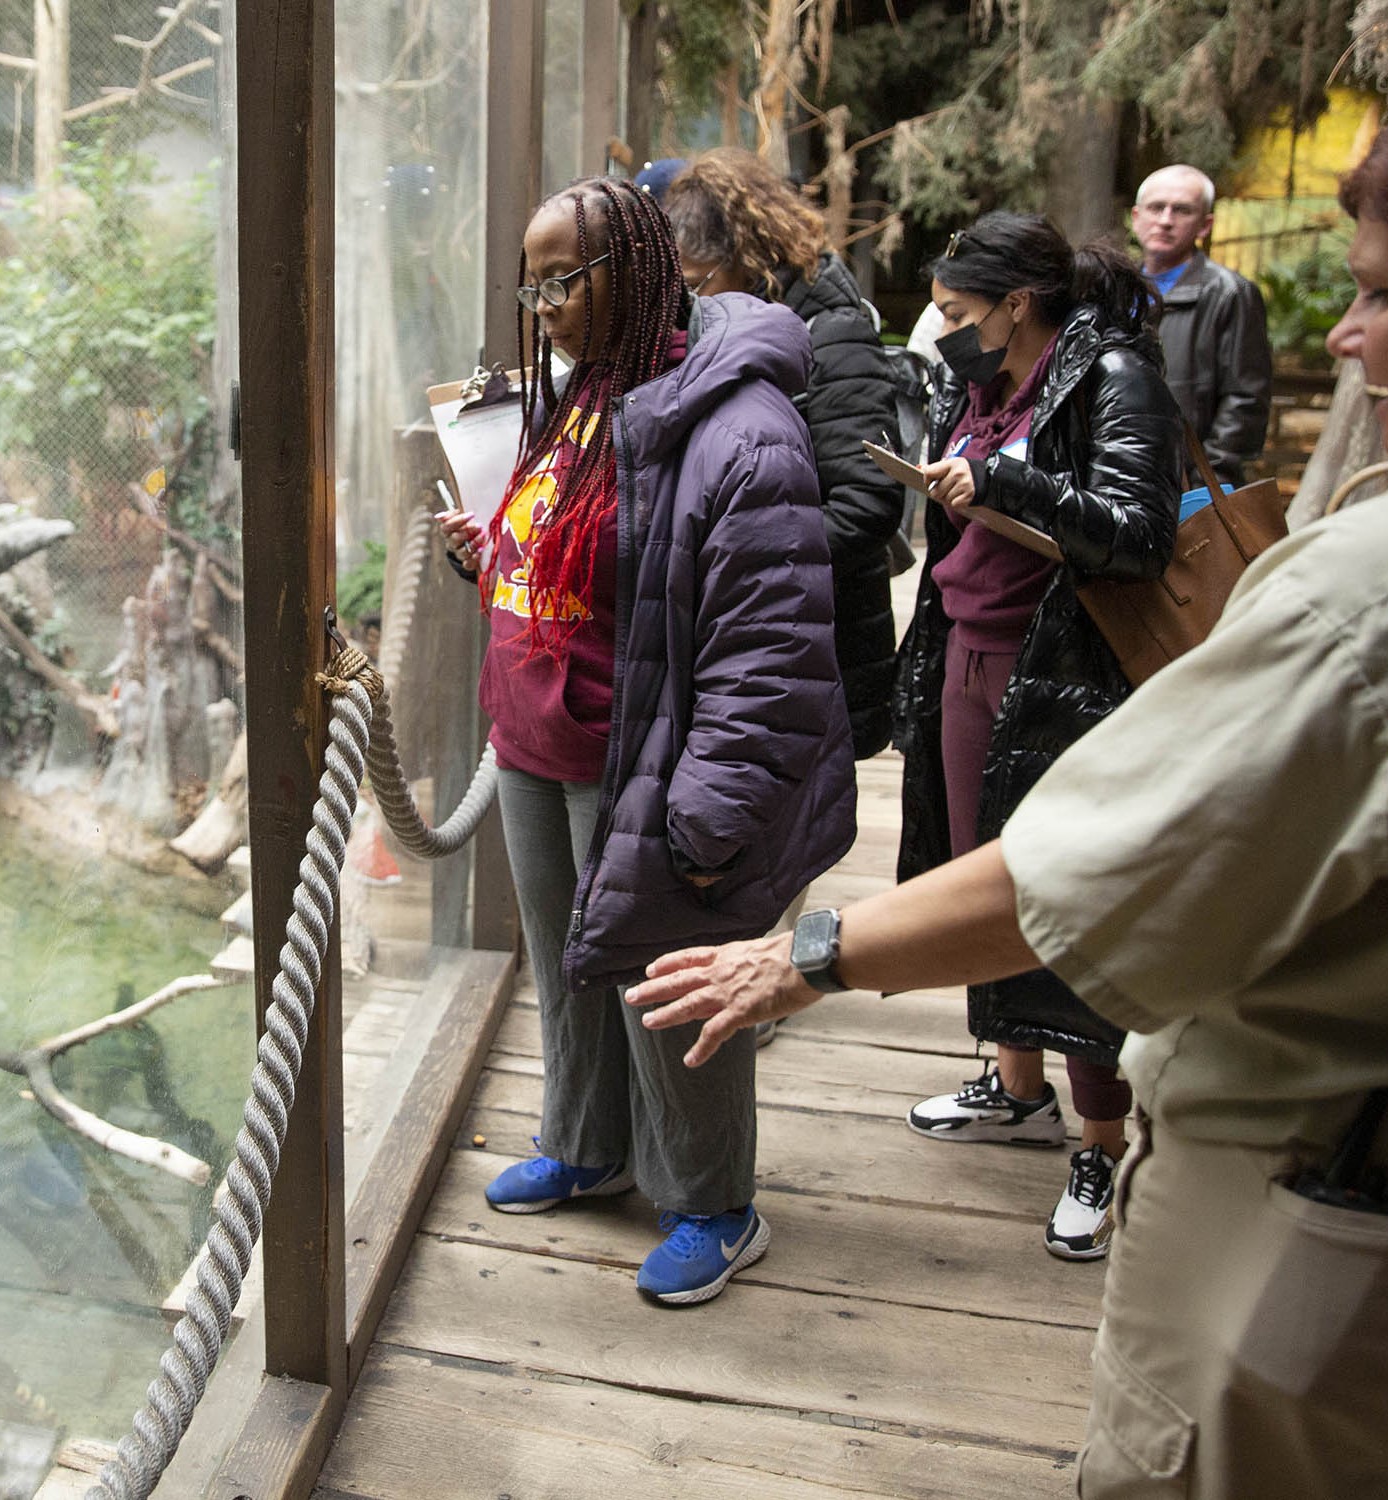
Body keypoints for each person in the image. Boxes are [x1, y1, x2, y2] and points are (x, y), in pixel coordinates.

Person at [626, 39, 1388, 1498]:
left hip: (1334, 1259)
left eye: (1379, 293)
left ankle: (1082, 1137)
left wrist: (805, 957)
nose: (1348, 341)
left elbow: (1098, 871)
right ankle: (1015, 1081)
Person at [434, 175, 855, 1306]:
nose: (545, 303)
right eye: (531, 282)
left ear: (641, 269)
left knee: (664, 984)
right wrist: (495, 557)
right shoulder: (576, 396)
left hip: (643, 755)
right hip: (536, 736)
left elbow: (769, 655)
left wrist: (710, 818)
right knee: (571, 973)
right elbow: (575, 551)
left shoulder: (740, 428)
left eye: (565, 277)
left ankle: (716, 1202)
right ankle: (587, 1148)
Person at [888, 211, 1179, 1260]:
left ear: (1019, 304)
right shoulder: (980, 375)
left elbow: (1139, 536)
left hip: (1064, 680)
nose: (946, 332)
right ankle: (1016, 1085)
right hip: (967, 655)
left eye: (960, 315)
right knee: (979, 877)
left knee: (1067, 903)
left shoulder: (1113, 374)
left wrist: (1006, 482)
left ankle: (1102, 1141)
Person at [662, 147, 909, 761]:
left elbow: (869, 503)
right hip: (753, 646)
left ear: (743, 257)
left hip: (817, 649)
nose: (685, 301)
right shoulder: (726, 329)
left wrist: (735, 557)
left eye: (695, 283)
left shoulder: (831, 331)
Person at [1132, 164, 1273, 486]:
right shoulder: (1117, 288)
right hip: (1121, 474)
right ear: (1137, 216)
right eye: (1156, 208)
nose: (1165, 221)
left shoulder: (1229, 293)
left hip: (1188, 481)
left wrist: (1209, 481)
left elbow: (1246, 399)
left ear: (1205, 224)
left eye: (1181, 210)